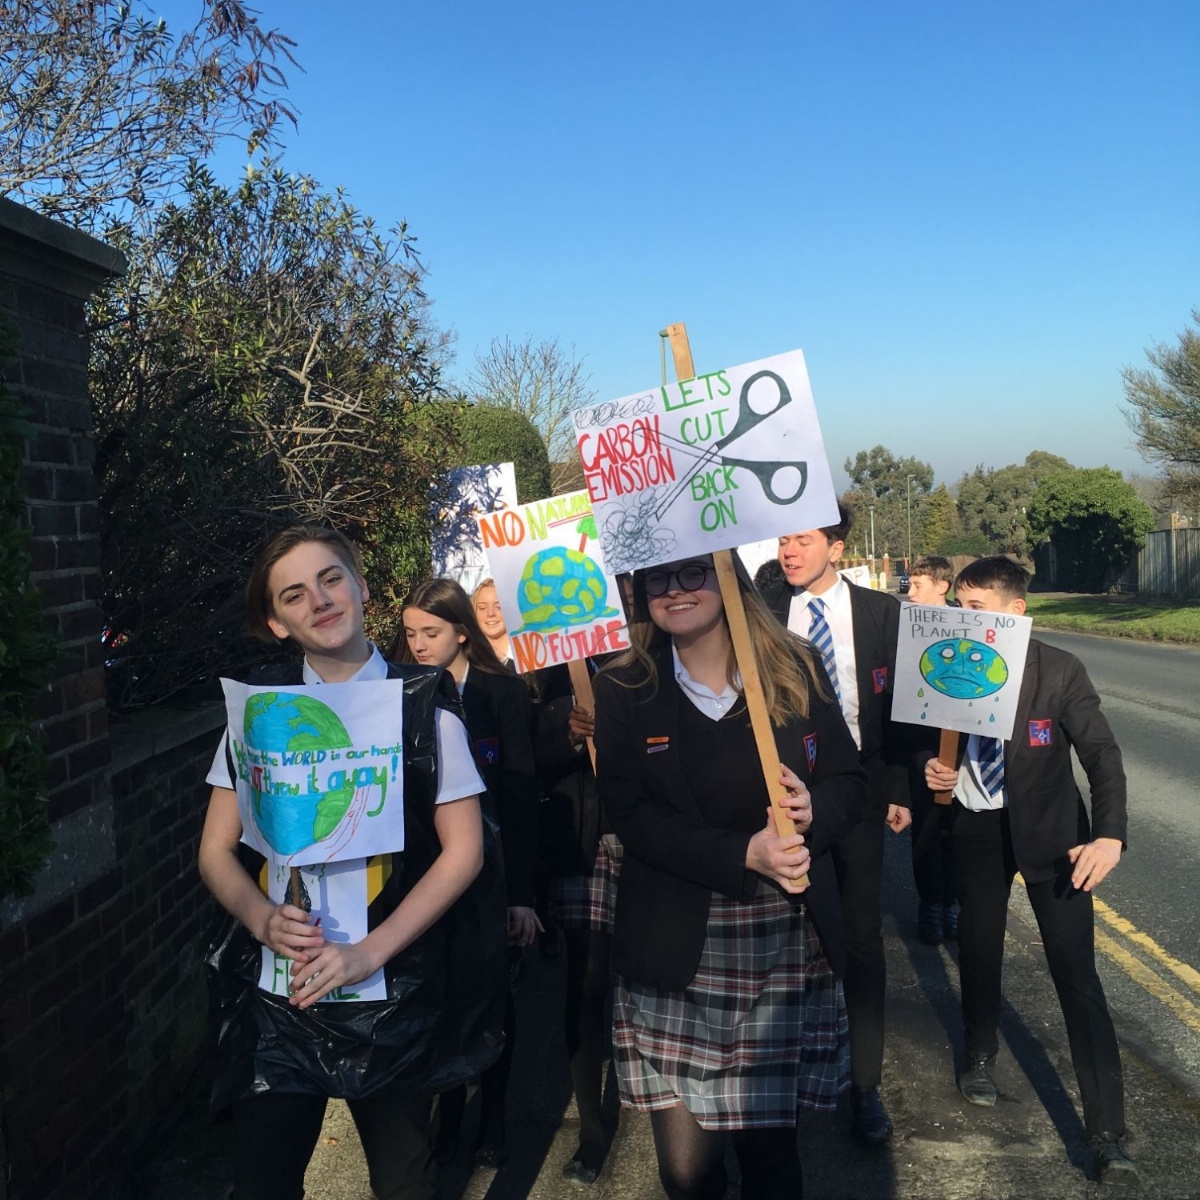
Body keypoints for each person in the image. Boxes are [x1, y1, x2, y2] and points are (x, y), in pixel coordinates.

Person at [199, 525, 502, 1200]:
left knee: (405, 1186)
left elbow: (465, 851)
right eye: (295, 594)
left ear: (362, 589)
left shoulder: (424, 710)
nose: (320, 600)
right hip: (281, 998)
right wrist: (257, 916)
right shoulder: (258, 714)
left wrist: (369, 953)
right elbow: (215, 850)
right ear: (276, 622)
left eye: (332, 579)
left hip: (392, 998)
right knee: (261, 1184)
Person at [593, 554, 867, 1200]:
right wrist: (742, 853)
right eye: (658, 580)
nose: (675, 591)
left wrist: (812, 810)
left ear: (726, 578)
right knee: (686, 1175)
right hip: (673, 945)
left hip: (777, 942)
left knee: (772, 1161)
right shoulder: (623, 685)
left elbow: (851, 782)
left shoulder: (793, 666)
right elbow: (629, 816)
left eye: (692, 573)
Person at [920, 556, 1135, 1184]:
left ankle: (1106, 1131)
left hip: (1054, 838)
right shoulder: (946, 663)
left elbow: (1102, 754)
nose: (962, 620)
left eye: (976, 610)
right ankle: (979, 1052)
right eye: (958, 608)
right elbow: (920, 738)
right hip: (976, 827)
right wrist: (931, 773)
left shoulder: (1060, 670)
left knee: (1077, 975)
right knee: (980, 949)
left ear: (1015, 613)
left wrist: (1109, 835)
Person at [758, 503, 910, 1144]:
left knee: (859, 940)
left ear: (837, 548)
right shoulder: (762, 610)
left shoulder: (883, 617)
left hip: (863, 795)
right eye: (783, 539)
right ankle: (780, 1077)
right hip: (785, 798)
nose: (789, 550)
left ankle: (864, 1087)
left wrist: (902, 786)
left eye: (802, 539)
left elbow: (906, 705)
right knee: (787, 937)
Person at [391, 577, 541, 1169]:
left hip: (492, 876)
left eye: (431, 632)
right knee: (443, 998)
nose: (419, 645)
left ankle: (495, 1114)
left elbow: (521, 796)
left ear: (462, 632)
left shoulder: (502, 693)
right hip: (425, 878)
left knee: (494, 999)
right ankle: (449, 1117)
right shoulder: (398, 695)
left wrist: (522, 895)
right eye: (409, 634)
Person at [531, 657, 622, 1187]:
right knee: (586, 984)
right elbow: (528, 763)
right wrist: (566, 736)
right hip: (582, 845)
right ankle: (592, 1129)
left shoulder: (650, 660)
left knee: (656, 980)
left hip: (651, 838)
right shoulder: (549, 673)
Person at [903, 555, 960, 944]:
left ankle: (952, 903)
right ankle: (931, 905)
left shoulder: (970, 623)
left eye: (918, 585)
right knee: (925, 830)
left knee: (957, 832)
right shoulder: (906, 627)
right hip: (920, 744)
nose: (910, 592)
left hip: (964, 747)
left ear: (942, 586)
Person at [472, 576, 513, 667]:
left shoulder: (532, 654)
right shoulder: (468, 659)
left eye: (499, 607)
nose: (490, 613)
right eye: (482, 608)